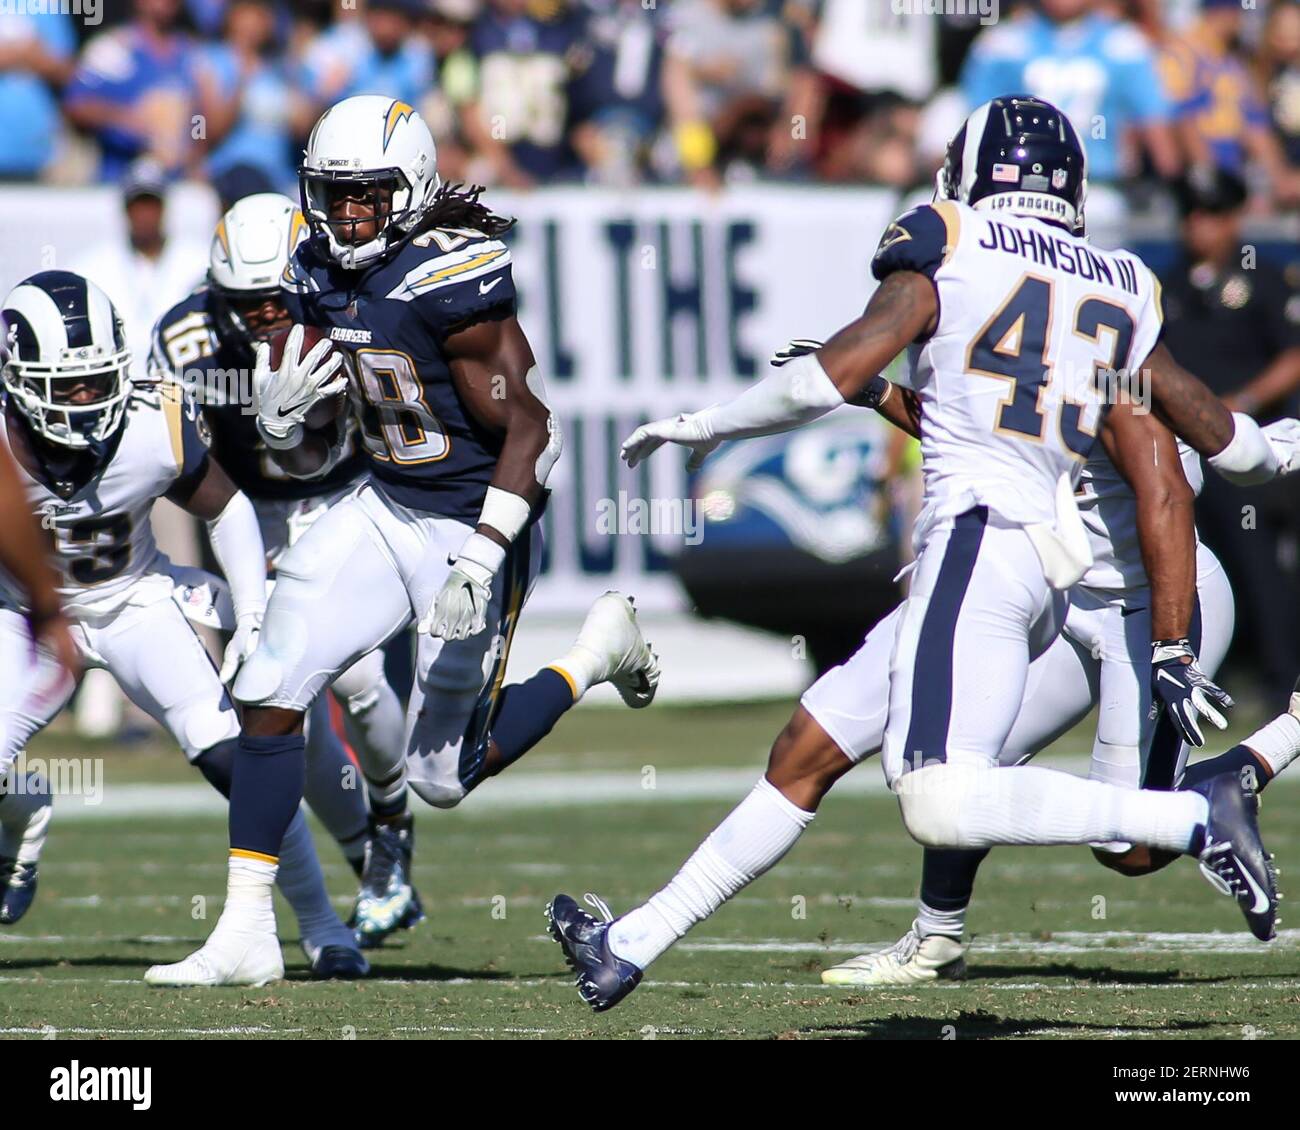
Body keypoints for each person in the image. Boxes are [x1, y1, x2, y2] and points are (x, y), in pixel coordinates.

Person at [545, 94, 1300, 1010]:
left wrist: (712, 421)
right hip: (1044, 571)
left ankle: (1212, 798)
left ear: (976, 176)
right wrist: (1277, 446)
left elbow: (1163, 488)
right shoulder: (1118, 285)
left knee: (1001, 812)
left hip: (1073, 571)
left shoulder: (952, 236)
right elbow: (1228, 445)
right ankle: (632, 941)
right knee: (813, 745)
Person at [145, 96, 660, 987]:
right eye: (334, 195)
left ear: (411, 191)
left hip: (471, 519)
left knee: (441, 775)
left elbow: (537, 434)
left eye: (366, 197)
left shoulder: (447, 280)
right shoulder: (316, 265)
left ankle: (593, 653)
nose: (347, 216)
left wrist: (483, 553)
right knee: (270, 683)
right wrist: (278, 413)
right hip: (383, 503)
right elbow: (327, 361)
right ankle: (246, 934)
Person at [0, 270, 367, 978]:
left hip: (134, 601)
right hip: (22, 616)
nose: (87, 398)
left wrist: (252, 613)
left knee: (237, 760)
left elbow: (225, 508)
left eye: (97, 379)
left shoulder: (149, 421)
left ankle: (321, 925)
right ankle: (22, 812)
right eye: (66, 384)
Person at [148, 191, 418, 946]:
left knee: (361, 682)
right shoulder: (187, 337)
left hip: (345, 498)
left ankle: (393, 821)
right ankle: (370, 853)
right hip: (246, 513)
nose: (262, 316)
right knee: (281, 702)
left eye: (272, 298)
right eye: (244, 301)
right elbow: (157, 442)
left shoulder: (346, 313)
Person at [1161, 166, 1300, 705]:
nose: (1200, 227)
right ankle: (1196, 676)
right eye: (1191, 214)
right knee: (1188, 565)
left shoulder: (1262, 280)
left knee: (1257, 565)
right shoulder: (1163, 285)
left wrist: (1237, 405)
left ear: (1234, 217)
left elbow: (1293, 354)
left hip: (1242, 450)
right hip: (1180, 454)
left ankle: (1281, 679)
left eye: (1212, 214)